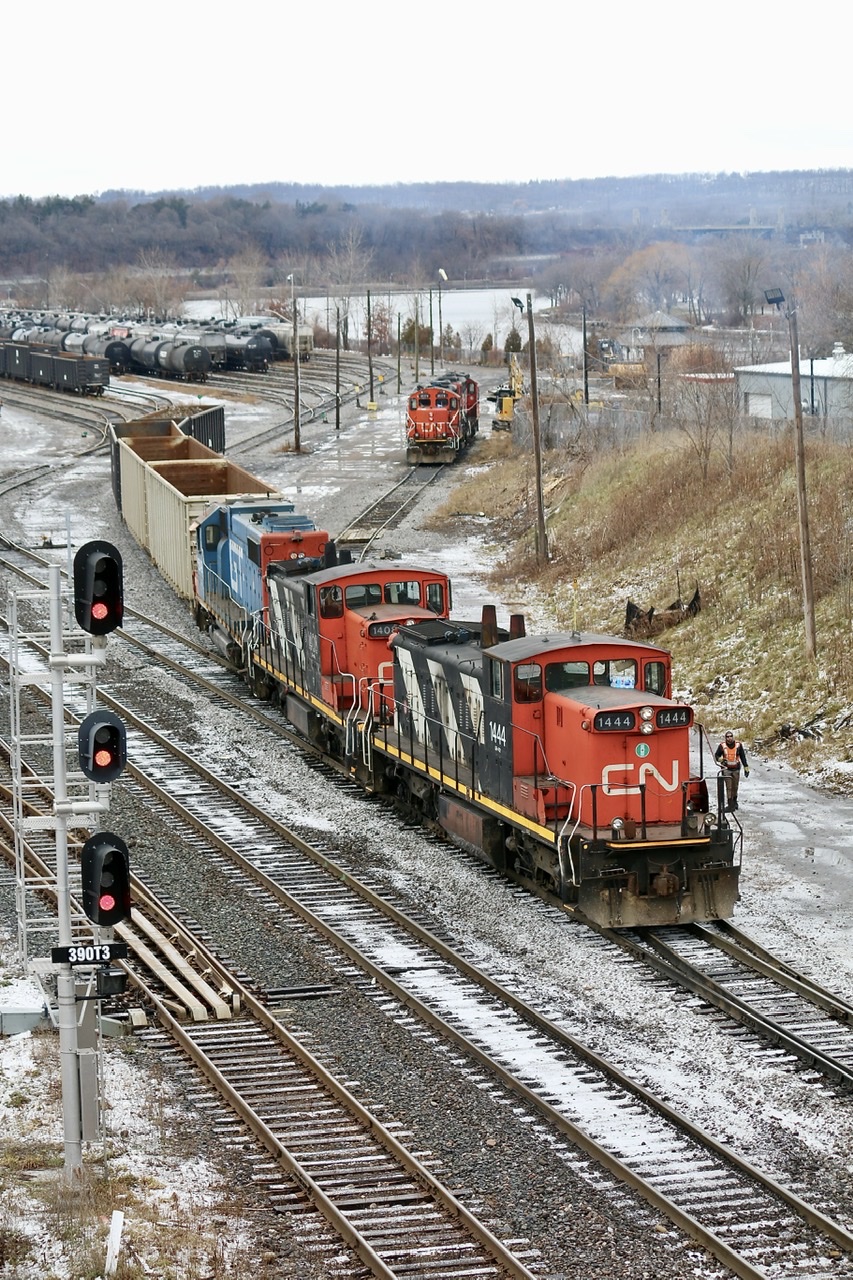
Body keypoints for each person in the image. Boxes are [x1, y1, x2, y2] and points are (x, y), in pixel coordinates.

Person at [714, 731, 750, 811]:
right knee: (729, 787)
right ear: (725, 738)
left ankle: (734, 802)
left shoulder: (738, 745)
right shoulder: (722, 746)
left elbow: (742, 756)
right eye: (727, 736)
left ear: (733, 737)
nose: (729, 738)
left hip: (736, 769)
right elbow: (716, 755)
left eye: (731, 736)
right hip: (726, 769)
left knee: (735, 787)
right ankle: (730, 804)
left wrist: (746, 767)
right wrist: (721, 760)